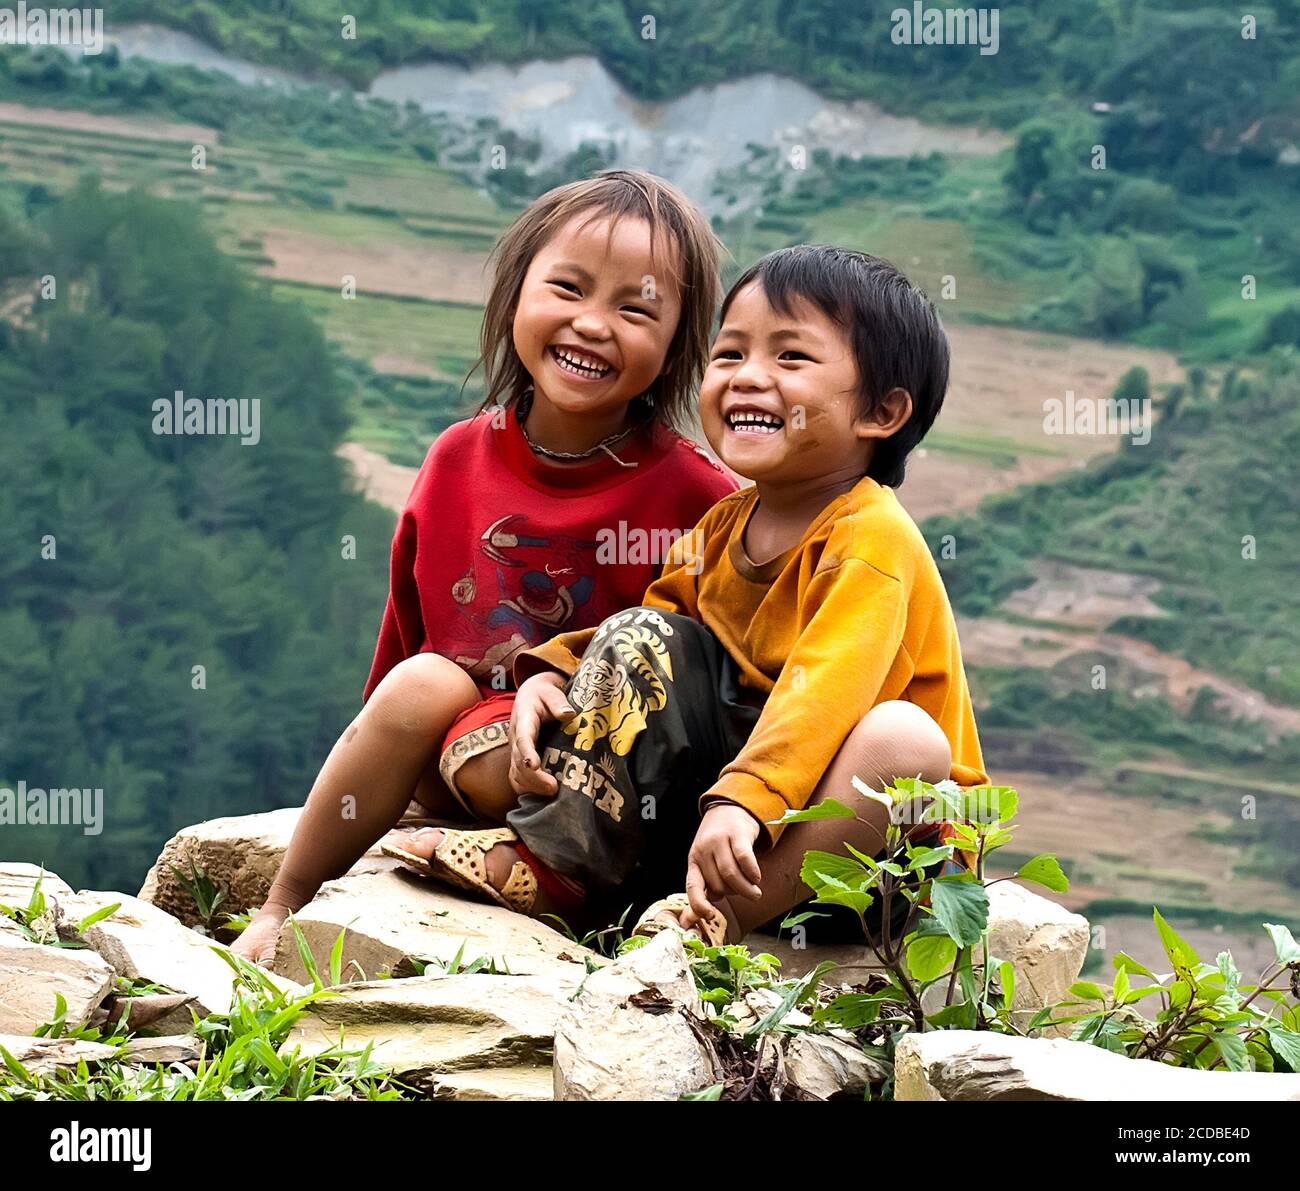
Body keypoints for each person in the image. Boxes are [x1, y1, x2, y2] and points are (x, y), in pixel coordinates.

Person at [383, 245, 990, 949]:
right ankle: (567, 871)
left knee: (904, 740)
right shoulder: (727, 522)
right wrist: (551, 674)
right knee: (642, 636)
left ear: (882, 411)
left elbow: (824, 691)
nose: (747, 378)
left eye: (790, 359)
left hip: (870, 858)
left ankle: (719, 921)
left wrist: (743, 801)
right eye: (730, 354)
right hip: (734, 824)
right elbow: (654, 625)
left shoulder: (872, 538)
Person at [232, 169, 738, 964]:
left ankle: (568, 877)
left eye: (635, 308)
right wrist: (382, 781)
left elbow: (715, 683)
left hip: (611, 778)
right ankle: (281, 903)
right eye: (567, 288)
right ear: (513, 299)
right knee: (427, 683)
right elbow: (406, 640)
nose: (592, 324)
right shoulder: (458, 457)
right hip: (468, 754)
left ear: (678, 344)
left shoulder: (700, 496)